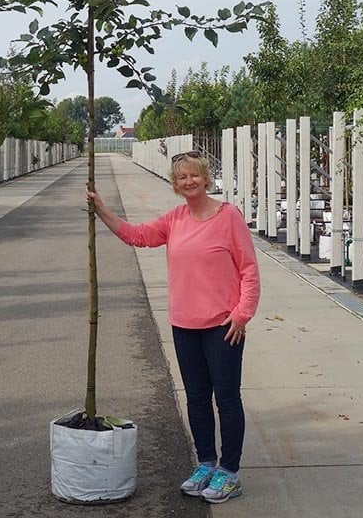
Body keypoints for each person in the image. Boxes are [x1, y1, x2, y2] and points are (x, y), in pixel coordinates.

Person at [86, 151, 260, 504]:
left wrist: (243, 313)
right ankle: (206, 464)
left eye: (194, 175)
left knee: (227, 399)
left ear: (206, 179)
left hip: (223, 326)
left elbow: (249, 269)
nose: (188, 181)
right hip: (185, 325)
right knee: (196, 398)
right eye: (181, 177)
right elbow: (137, 236)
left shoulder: (229, 216)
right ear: (175, 184)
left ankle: (229, 473)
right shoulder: (175, 219)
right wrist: (101, 209)